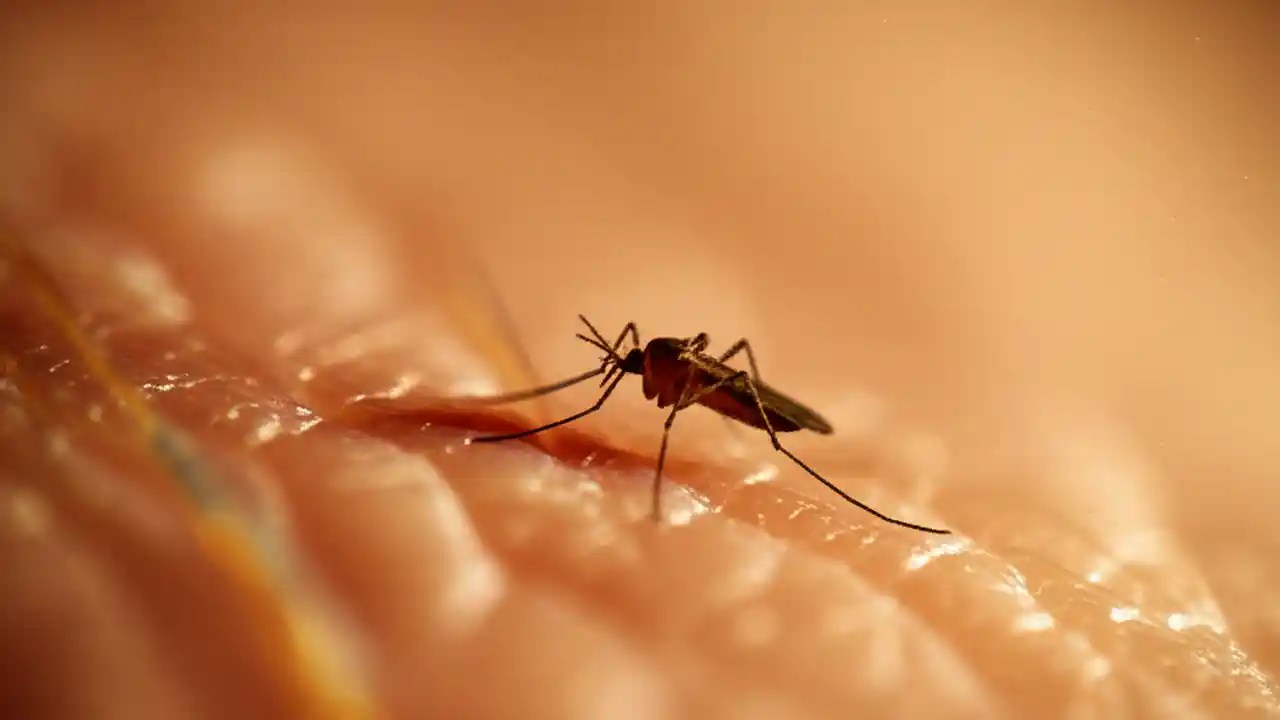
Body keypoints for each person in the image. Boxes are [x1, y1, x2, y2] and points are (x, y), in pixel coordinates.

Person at [2, 4, 1278, 717]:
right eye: (634, 370)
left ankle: (821, 490)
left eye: (635, 372)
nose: (630, 376)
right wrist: (543, 411)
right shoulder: (635, 365)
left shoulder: (680, 377)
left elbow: (652, 387)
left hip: (778, 411)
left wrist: (674, 432)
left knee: (701, 385)